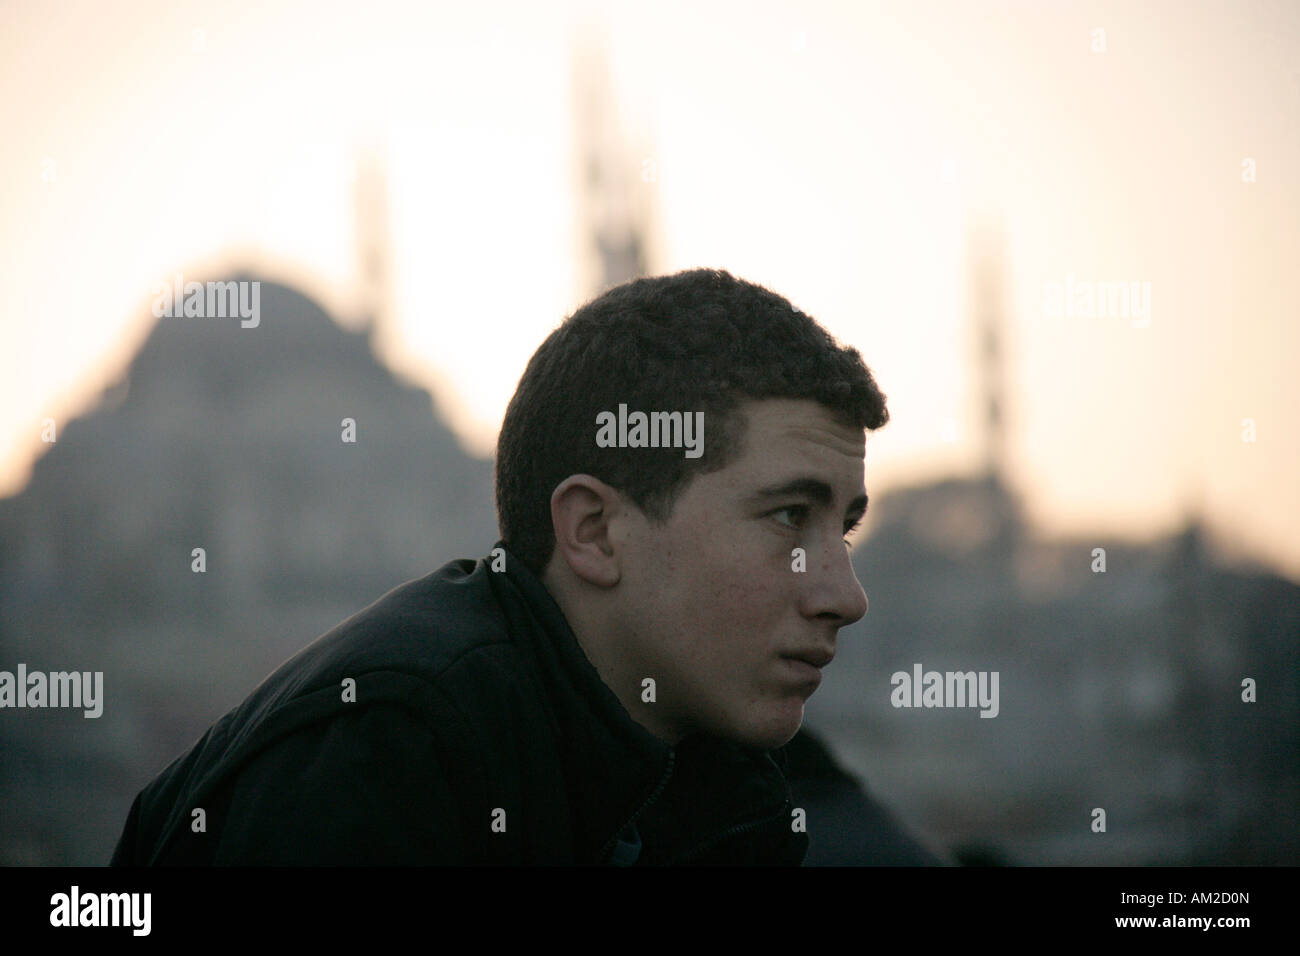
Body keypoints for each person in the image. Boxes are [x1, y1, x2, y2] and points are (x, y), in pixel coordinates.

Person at [110, 267, 890, 865]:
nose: (844, 596)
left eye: (844, 531)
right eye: (790, 516)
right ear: (595, 531)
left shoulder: (716, 787)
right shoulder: (386, 752)